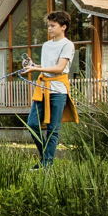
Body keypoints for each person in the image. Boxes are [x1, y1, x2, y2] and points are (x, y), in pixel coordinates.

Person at [23, 10, 77, 168]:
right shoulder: (46, 45)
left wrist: (36, 70)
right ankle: (46, 158)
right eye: (48, 26)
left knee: (53, 129)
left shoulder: (67, 45)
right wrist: (33, 66)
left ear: (63, 27)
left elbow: (59, 68)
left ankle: (46, 164)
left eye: (53, 26)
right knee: (33, 124)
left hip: (58, 91)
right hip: (42, 89)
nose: (49, 29)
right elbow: (47, 67)